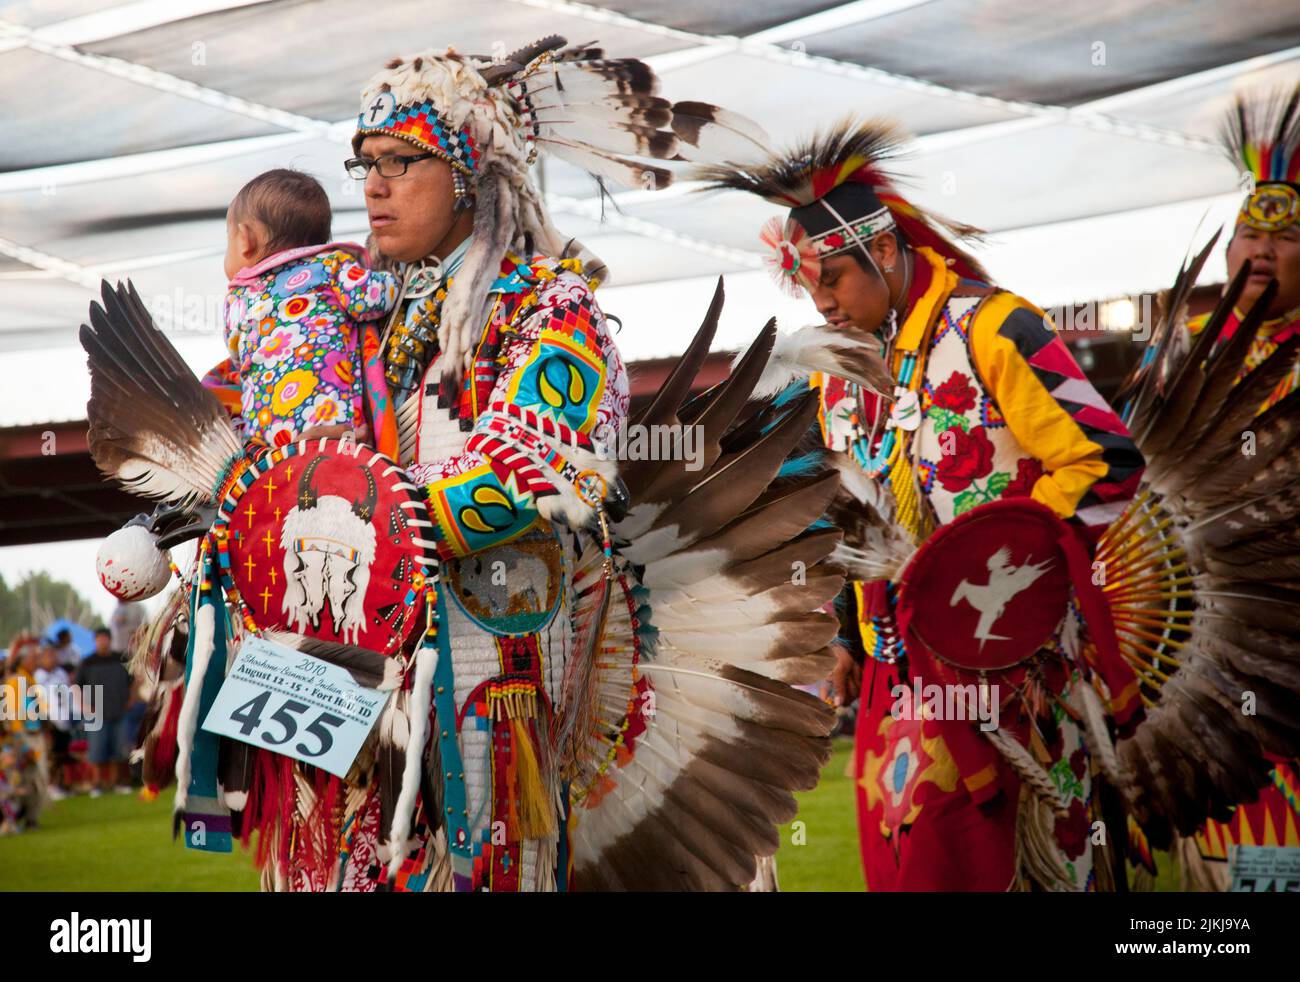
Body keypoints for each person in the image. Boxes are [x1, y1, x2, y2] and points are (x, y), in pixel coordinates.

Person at [696, 117, 1147, 890]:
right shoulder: (835, 374)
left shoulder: (994, 328)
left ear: (882, 249)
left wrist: (1011, 576)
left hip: (1011, 670)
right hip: (897, 679)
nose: (823, 303)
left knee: (1011, 864)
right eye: (808, 288)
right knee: (911, 866)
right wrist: (844, 635)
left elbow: (1104, 461)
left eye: (832, 279)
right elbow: (836, 515)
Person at [1181, 83, 1300, 890]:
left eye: (1285, 234)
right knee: (1232, 887)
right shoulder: (1180, 360)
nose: (1259, 245)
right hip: (1213, 661)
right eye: (1247, 232)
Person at [207, 168, 401, 453]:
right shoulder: (330, 266)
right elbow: (371, 301)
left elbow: (238, 357)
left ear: (244, 240)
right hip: (331, 424)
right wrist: (394, 278)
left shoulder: (238, 300)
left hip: (265, 435)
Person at [75, 628, 133, 796]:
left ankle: (116, 783)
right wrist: (85, 707)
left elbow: (134, 680)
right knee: (97, 751)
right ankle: (97, 784)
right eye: (99, 639)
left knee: (119, 750)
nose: (102, 641)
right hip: (96, 714)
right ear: (95, 641)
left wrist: (132, 700)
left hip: (119, 711)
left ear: (109, 639)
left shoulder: (121, 659)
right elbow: (76, 687)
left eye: (105, 638)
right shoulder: (87, 662)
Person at [33, 643, 74, 798]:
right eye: (48, 656)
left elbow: (68, 694)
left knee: (63, 754)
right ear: (41, 659)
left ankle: (61, 784)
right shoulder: (36, 677)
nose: (52, 658)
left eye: (53, 655)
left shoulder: (61, 674)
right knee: (51, 755)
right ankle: (50, 786)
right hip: (47, 721)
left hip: (64, 719)